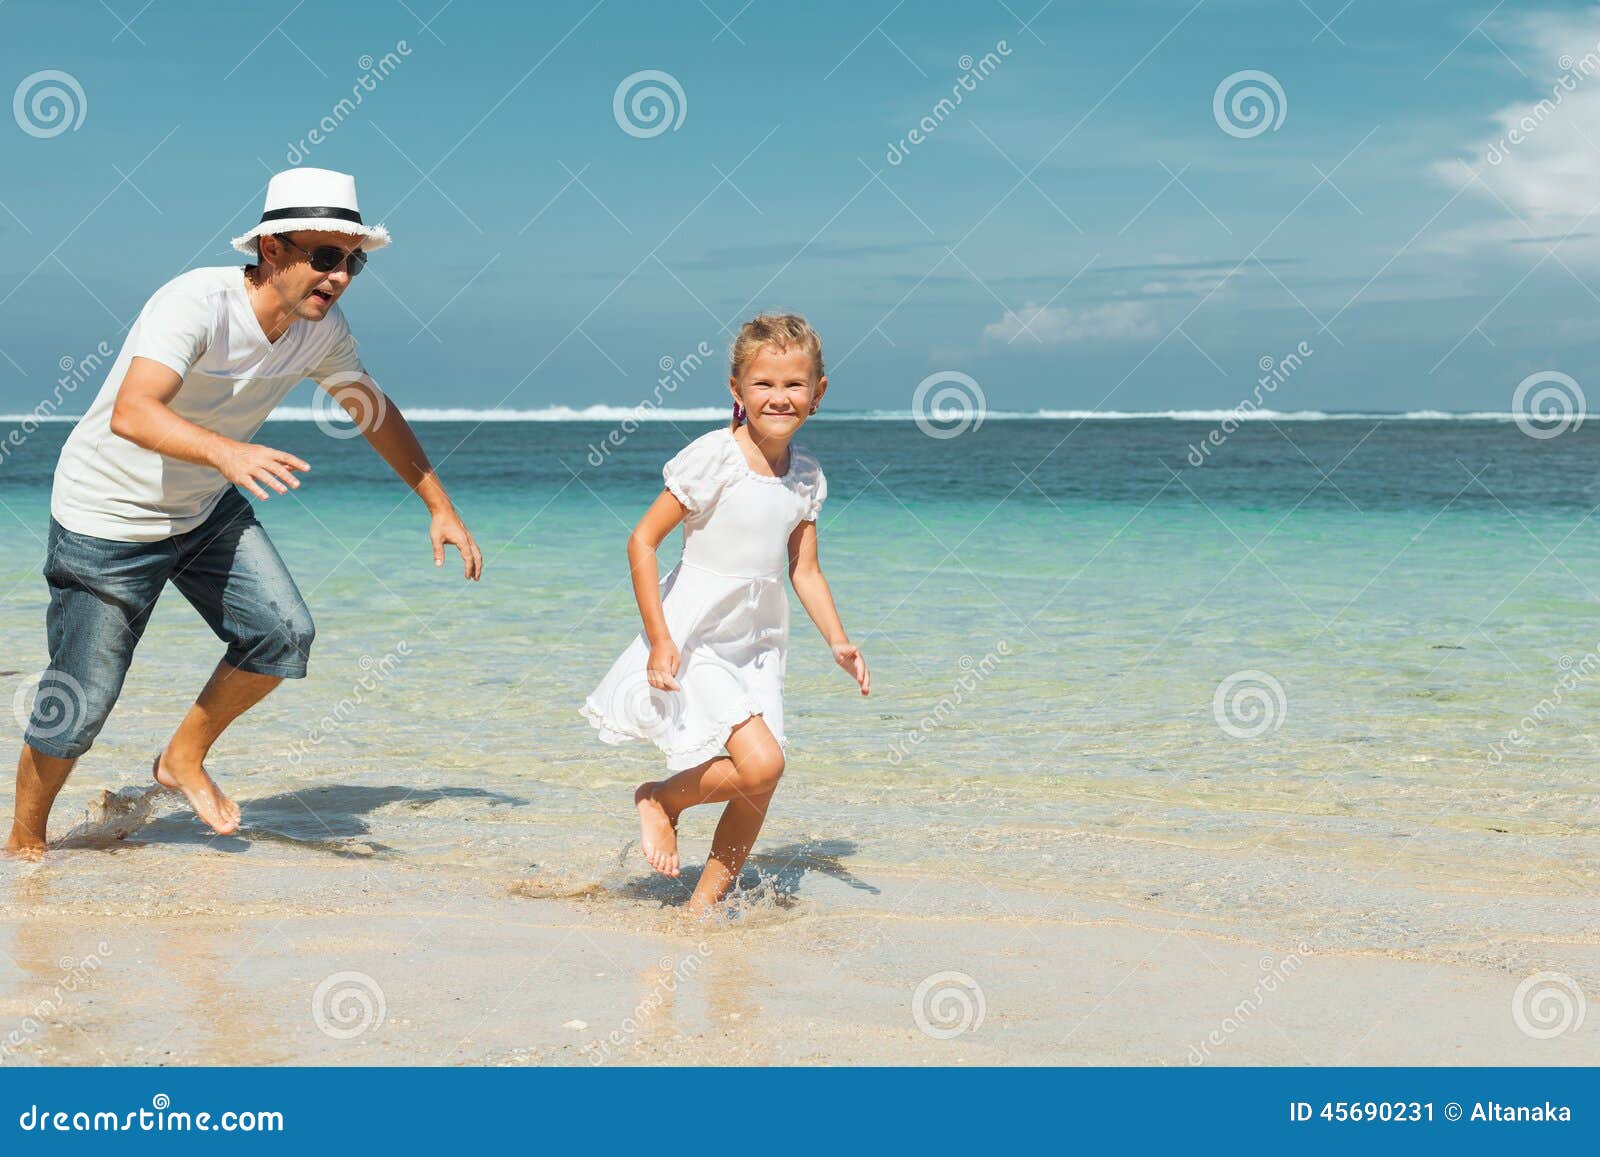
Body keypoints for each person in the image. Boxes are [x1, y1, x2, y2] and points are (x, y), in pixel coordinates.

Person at [4, 167, 483, 859]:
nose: (340, 275)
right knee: (83, 697)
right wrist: (228, 454)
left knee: (283, 634)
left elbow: (371, 410)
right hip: (107, 517)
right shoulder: (195, 303)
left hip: (201, 510)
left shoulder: (322, 331)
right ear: (273, 250)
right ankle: (23, 845)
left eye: (352, 261)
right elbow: (135, 411)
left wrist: (439, 504)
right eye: (325, 257)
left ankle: (182, 758)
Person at [581, 313, 869, 914]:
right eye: (763, 384)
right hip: (699, 636)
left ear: (819, 393)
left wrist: (839, 641)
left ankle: (701, 909)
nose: (779, 397)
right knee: (762, 763)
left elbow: (804, 570)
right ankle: (660, 798)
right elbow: (641, 542)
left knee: (760, 784)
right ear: (736, 390)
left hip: (760, 641)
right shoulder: (714, 458)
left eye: (795, 384)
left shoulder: (807, 476)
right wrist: (661, 641)